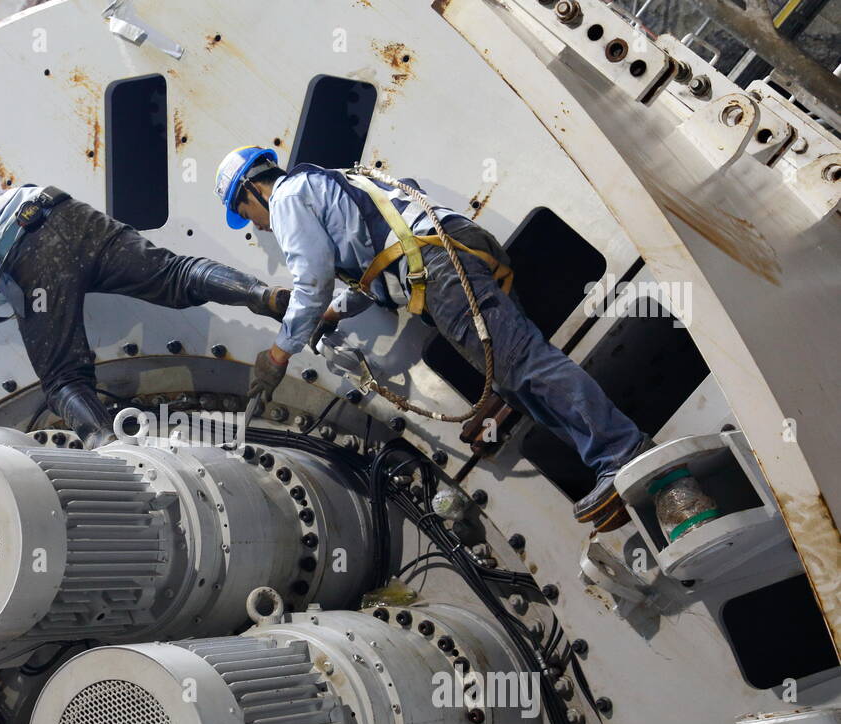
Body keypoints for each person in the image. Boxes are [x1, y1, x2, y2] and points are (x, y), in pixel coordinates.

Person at [214, 146, 648, 531]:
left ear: (253, 189)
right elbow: (374, 271)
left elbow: (310, 283)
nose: (258, 226)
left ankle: (621, 452)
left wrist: (277, 354)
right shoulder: (325, 185)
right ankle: (611, 461)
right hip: (446, 253)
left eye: (245, 211)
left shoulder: (288, 198)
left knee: (524, 364)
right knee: (517, 383)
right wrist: (331, 314)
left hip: (437, 266)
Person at [0, 184, 289, 448]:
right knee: (173, 274)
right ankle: (262, 295)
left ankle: (109, 449)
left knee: (61, 380)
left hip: (29, 248)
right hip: (66, 212)